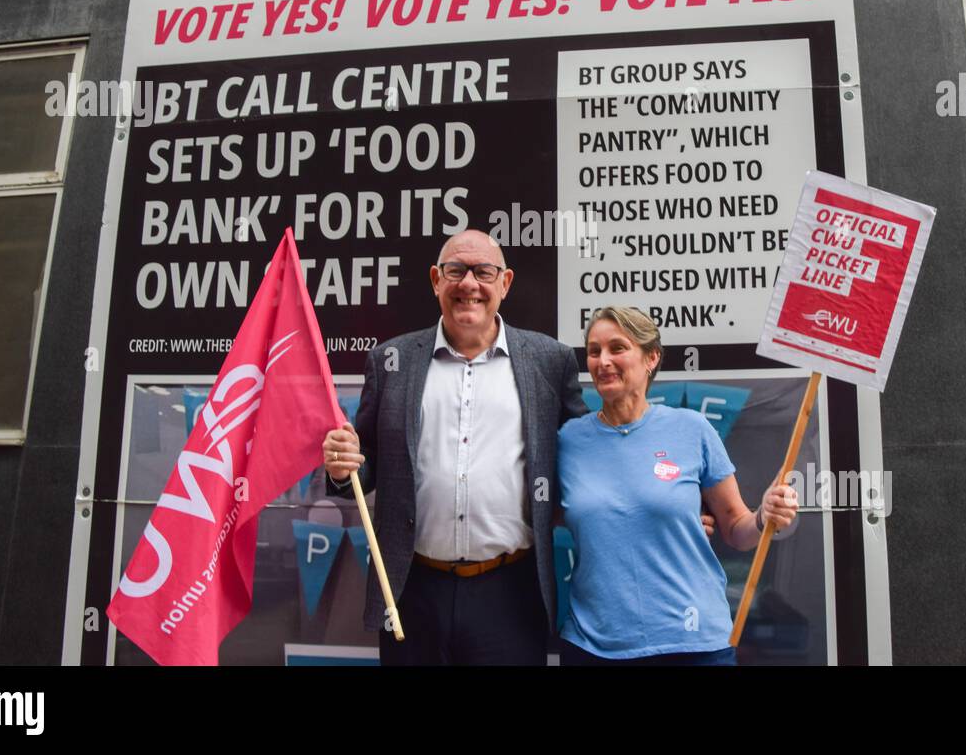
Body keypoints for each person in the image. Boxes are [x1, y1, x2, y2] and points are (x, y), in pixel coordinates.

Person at [321, 229, 587, 665]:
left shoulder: (549, 359)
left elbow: (585, 451)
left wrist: (657, 502)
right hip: (412, 589)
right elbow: (365, 463)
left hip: (511, 592)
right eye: (455, 271)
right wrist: (340, 466)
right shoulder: (392, 361)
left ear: (505, 283)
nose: (469, 284)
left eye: (484, 271)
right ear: (435, 280)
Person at [557, 306, 799, 665]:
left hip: (692, 642)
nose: (603, 361)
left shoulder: (692, 429)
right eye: (594, 351)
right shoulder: (568, 440)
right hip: (595, 645)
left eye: (617, 348)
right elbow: (547, 519)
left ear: (651, 357)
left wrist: (764, 515)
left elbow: (737, 529)